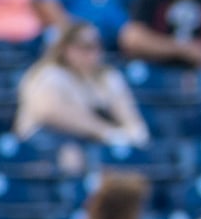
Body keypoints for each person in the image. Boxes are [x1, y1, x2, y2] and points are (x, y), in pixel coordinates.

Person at [14, 22, 149, 146]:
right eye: (85, 46)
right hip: (41, 143)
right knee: (70, 151)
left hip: (88, 142)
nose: (93, 52)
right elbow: (49, 112)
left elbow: (132, 121)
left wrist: (134, 134)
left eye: (97, 45)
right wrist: (106, 132)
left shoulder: (108, 77)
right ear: (66, 49)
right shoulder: (49, 74)